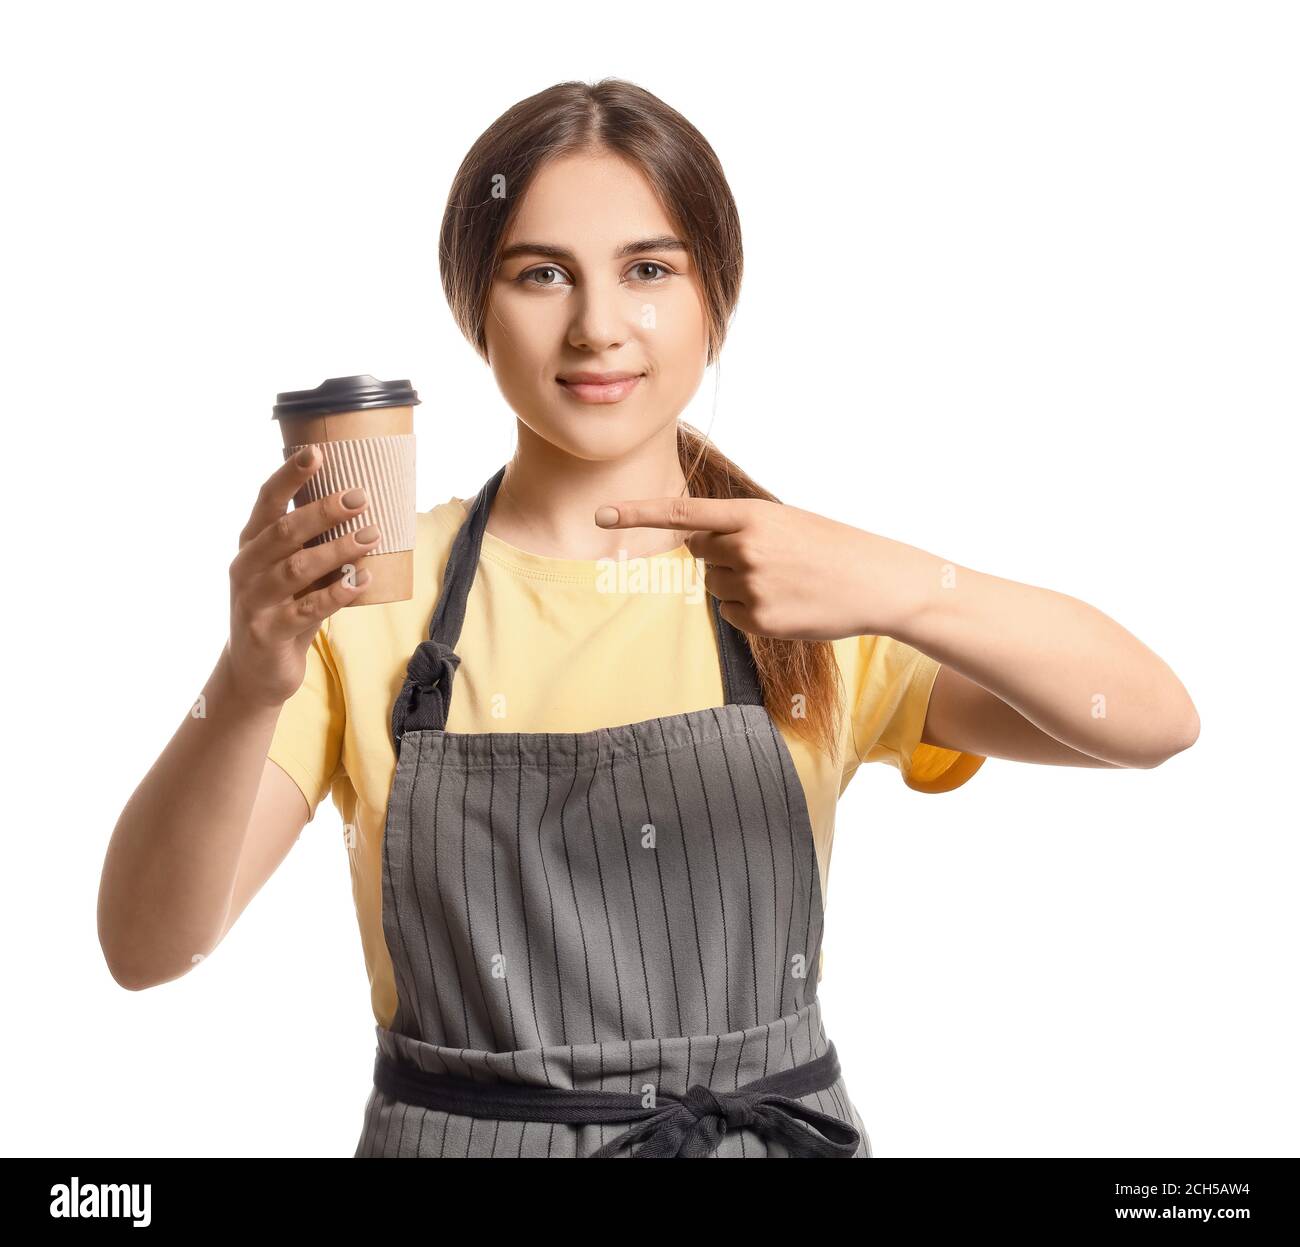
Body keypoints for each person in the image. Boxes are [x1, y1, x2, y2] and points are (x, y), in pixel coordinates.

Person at [98, 78, 1200, 1158]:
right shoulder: (370, 602)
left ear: (714, 297)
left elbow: (1151, 721)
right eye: (541, 274)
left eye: (648, 269)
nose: (597, 326)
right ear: (473, 305)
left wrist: (904, 584)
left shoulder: (805, 586)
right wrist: (248, 675)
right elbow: (149, 948)